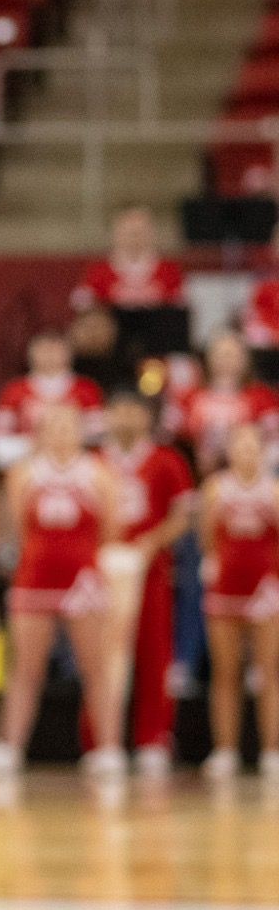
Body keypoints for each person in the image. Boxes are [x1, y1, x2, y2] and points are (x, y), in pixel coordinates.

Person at [0, 403, 124, 780]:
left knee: (95, 667)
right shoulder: (23, 475)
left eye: (70, 426)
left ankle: (109, 748)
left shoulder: (98, 475)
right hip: (34, 579)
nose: (62, 433)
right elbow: (15, 529)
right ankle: (11, 747)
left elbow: (111, 530)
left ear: (82, 431)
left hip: (82, 580)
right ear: (41, 431)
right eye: (55, 426)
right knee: (25, 669)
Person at [86, 391, 193, 777]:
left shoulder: (166, 460)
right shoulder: (94, 461)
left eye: (134, 412)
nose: (126, 419)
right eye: (119, 411)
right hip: (101, 570)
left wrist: (151, 542)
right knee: (99, 655)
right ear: (107, 417)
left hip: (150, 571)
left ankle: (152, 738)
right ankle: (99, 738)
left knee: (153, 651)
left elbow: (183, 515)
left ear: (146, 418)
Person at [196, 423, 279, 780]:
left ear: (263, 451)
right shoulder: (216, 489)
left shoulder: (273, 491)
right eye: (239, 446)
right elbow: (205, 539)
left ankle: (271, 752)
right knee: (226, 673)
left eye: (252, 446)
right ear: (229, 452)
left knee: (267, 673)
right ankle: (225, 750)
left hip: (265, 592)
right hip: (225, 591)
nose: (246, 452)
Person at [163, 329, 279, 477]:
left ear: (245, 359)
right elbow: (168, 438)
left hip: (249, 476)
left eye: (232, 354)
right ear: (208, 357)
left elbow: (274, 442)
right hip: (196, 474)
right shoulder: (187, 397)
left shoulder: (262, 397)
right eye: (220, 354)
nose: (226, 359)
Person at [0, 331, 105, 470]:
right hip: (26, 468)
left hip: (76, 469)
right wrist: (33, 445)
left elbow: (98, 439)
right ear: (30, 353)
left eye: (55, 349)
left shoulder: (86, 389)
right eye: (43, 349)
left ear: (68, 353)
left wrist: (62, 445)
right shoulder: (13, 391)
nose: (49, 355)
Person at [70, 207, 184, 312]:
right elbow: (80, 304)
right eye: (129, 232)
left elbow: (181, 305)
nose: (134, 238)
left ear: (152, 233)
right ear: (116, 234)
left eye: (140, 232)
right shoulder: (98, 272)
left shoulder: (169, 270)